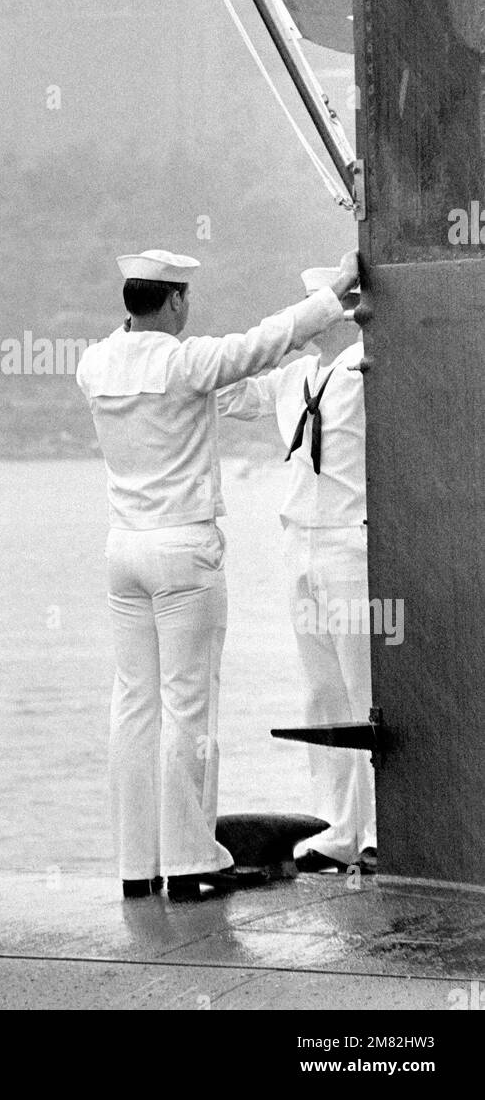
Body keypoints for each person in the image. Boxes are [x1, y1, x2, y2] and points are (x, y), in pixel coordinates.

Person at [75, 248, 360, 901]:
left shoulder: (94, 365)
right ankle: (189, 858)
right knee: (188, 705)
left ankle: (136, 863)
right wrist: (335, 295)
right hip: (183, 550)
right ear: (174, 300)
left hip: (123, 549)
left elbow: (244, 365)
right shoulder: (185, 362)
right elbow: (263, 344)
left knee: (133, 706)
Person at [217, 265, 376, 872]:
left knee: (364, 692)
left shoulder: (369, 367)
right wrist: (279, 340)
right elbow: (226, 393)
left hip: (350, 539)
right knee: (321, 692)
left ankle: (377, 830)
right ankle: (337, 824)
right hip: (299, 543)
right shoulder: (295, 376)